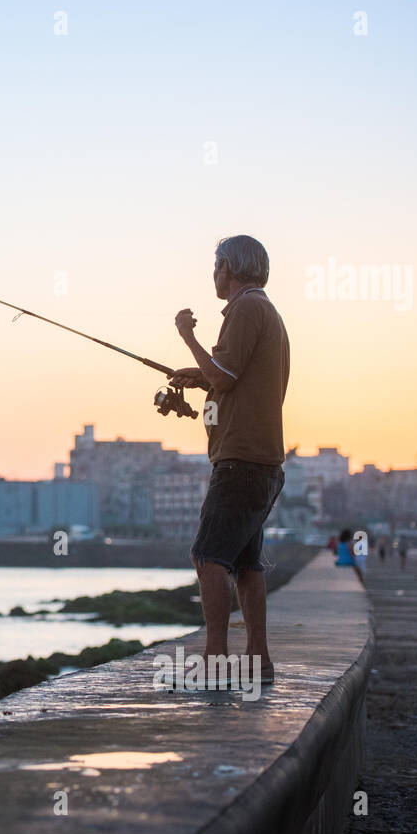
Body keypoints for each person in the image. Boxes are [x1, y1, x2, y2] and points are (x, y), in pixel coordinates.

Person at [170, 235, 289, 685]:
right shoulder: (266, 312)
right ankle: (257, 659)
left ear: (231, 268)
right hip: (263, 460)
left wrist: (188, 337)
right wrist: (199, 377)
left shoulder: (246, 309)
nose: (213, 273)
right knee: (246, 562)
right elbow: (230, 378)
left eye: (216, 265)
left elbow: (223, 375)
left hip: (239, 460)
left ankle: (214, 661)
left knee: (208, 557)